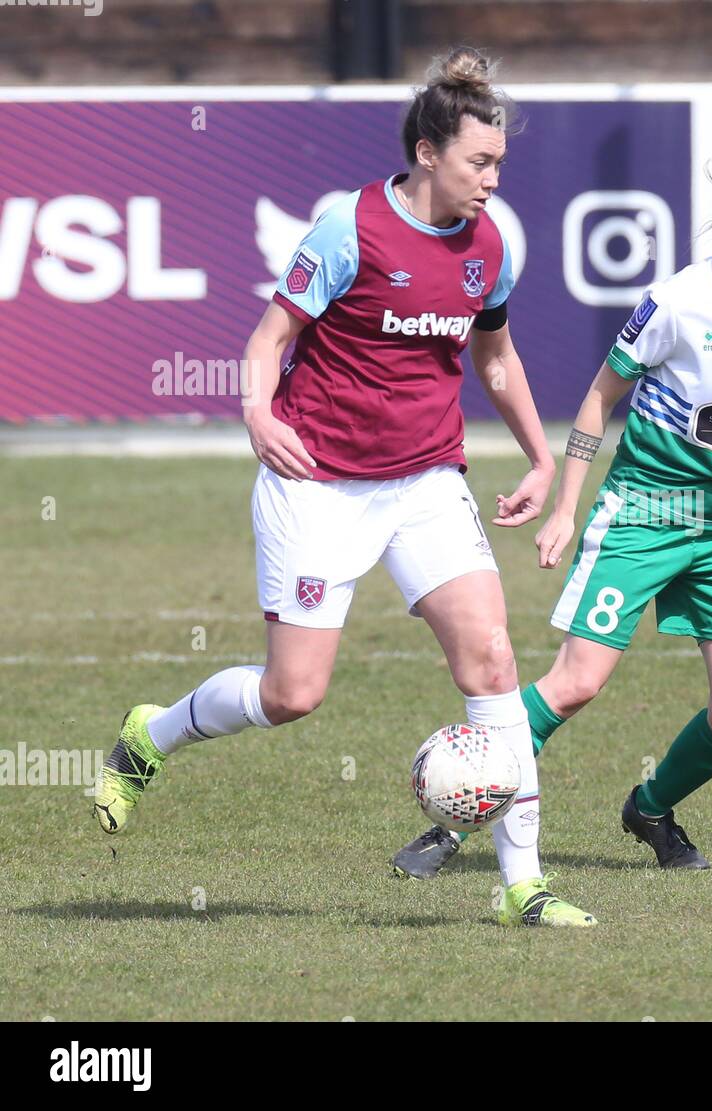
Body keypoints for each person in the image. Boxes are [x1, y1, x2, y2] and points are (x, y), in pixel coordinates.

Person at [95, 47, 595, 927]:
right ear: (429, 151)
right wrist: (259, 417)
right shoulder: (348, 228)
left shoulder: (490, 244)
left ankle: (524, 884)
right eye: (479, 161)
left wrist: (543, 454)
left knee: (494, 661)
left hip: (427, 480)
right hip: (319, 482)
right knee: (294, 695)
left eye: (500, 164)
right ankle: (151, 734)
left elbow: (494, 353)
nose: (491, 179)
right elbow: (265, 341)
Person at [392, 140, 712, 878]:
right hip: (645, 513)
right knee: (576, 682)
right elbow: (598, 397)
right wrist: (567, 506)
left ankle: (650, 806)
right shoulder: (676, 303)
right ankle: (455, 823)